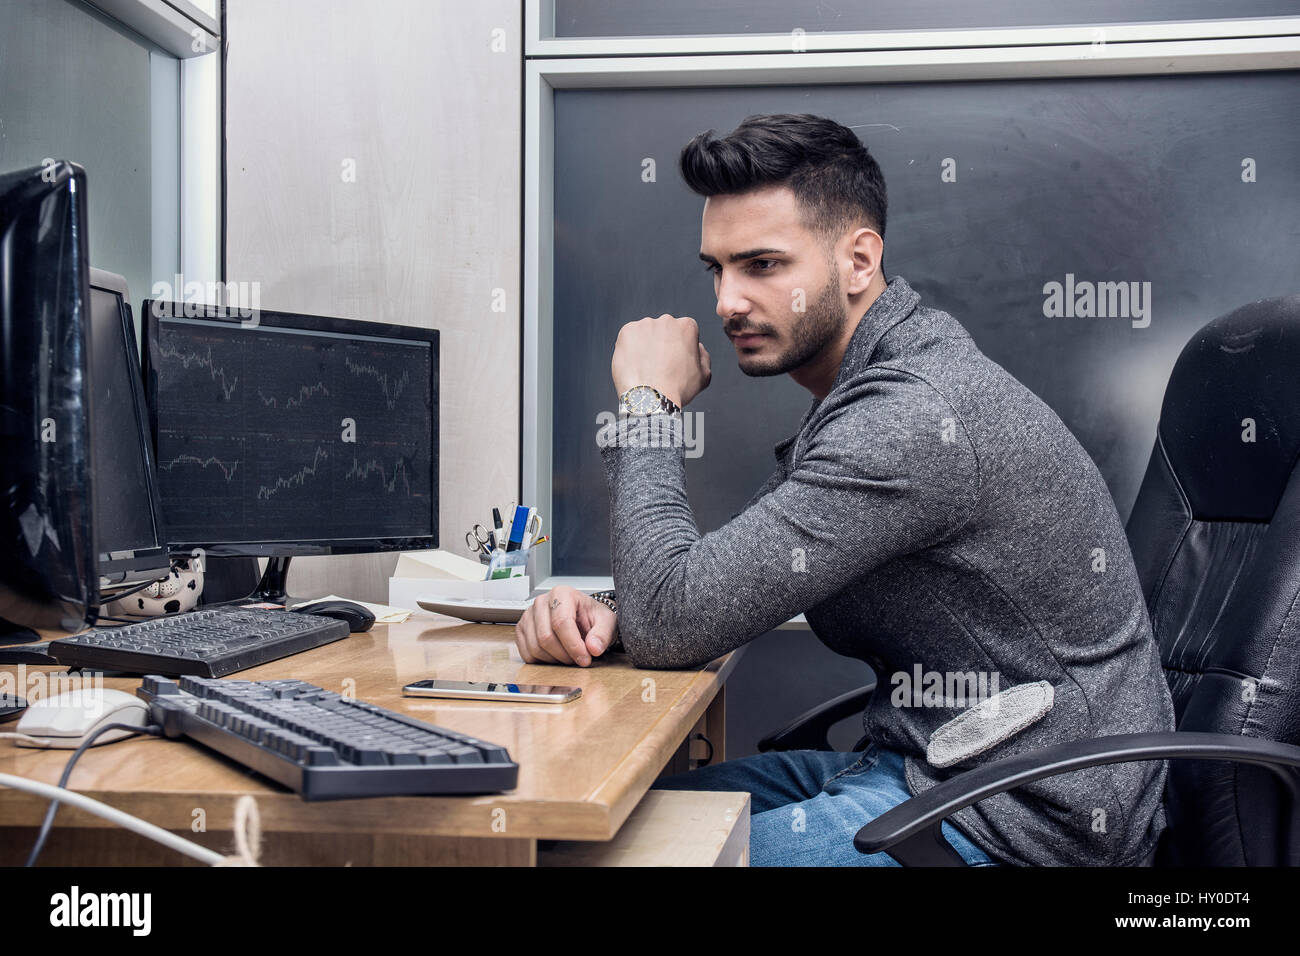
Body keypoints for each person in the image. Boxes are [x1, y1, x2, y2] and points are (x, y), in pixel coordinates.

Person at [514, 113, 1175, 867]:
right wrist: (598, 614)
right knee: (567, 836)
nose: (727, 301)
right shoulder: (872, 392)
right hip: (914, 764)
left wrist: (647, 406)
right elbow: (712, 591)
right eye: (717, 269)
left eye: (762, 265)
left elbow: (678, 622)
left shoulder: (910, 418)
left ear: (859, 260)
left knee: (600, 862)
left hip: (1017, 812)